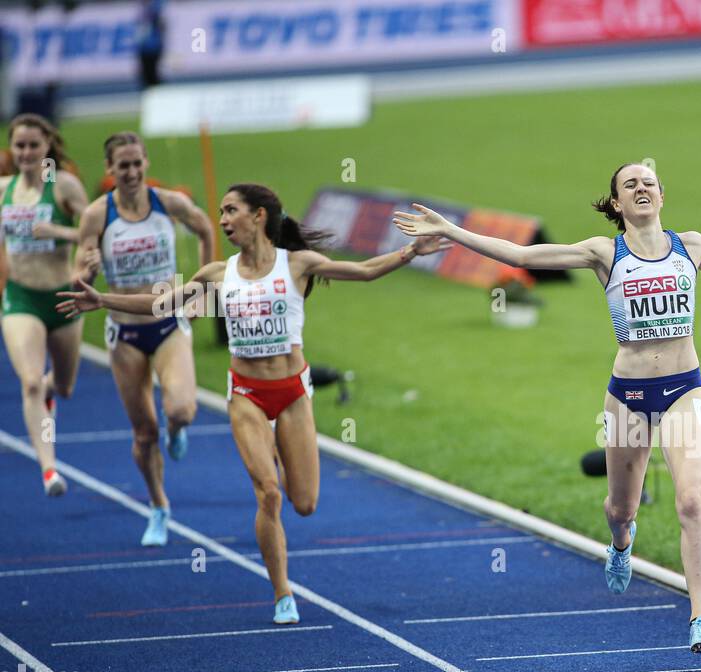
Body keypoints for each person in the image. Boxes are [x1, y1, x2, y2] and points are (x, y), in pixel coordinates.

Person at [394, 162, 701, 653]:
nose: (642, 188)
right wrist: (450, 230)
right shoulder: (604, 252)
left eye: (649, 182)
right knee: (621, 507)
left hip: (683, 392)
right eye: (631, 185)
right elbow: (521, 253)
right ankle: (622, 543)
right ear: (618, 204)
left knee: (691, 500)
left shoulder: (691, 246)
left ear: (662, 196)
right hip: (627, 398)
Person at [59, 183, 447, 623]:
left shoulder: (298, 264)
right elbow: (159, 303)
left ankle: (280, 447)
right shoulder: (217, 274)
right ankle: (283, 593)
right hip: (246, 394)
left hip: (293, 394)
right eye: (221, 213)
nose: (222, 221)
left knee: (304, 502)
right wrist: (102, 300)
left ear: (259, 216)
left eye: (230, 212)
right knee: (268, 494)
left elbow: (364, 272)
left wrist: (410, 252)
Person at [75, 131, 217, 546]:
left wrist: (202, 289)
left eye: (138, 163)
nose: (132, 172)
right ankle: (159, 506)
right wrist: (88, 267)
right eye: (124, 165)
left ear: (146, 164)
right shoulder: (97, 216)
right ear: (110, 170)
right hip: (125, 332)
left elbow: (206, 226)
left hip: (169, 321)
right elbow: (79, 279)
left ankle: (178, 429)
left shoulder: (167, 203)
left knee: (182, 410)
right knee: (143, 433)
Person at [0, 113, 90, 496]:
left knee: (64, 386)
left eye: (33, 145)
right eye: (19, 145)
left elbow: (92, 234)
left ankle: (53, 392)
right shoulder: (3, 189)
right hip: (21, 299)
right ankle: (49, 470)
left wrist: (63, 237)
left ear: (47, 147)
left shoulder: (63, 185)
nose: (26, 152)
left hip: (63, 298)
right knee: (31, 382)